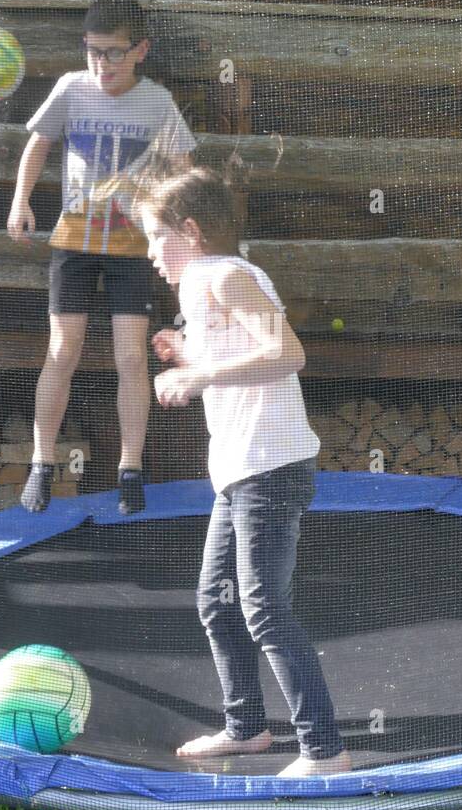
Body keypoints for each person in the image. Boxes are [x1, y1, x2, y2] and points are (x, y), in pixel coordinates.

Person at [136, 166, 351, 778]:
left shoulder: (227, 274)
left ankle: (325, 750)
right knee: (216, 602)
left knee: (262, 607)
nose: (150, 254)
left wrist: (197, 375)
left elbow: (287, 353)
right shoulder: (201, 282)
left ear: (191, 230)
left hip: (270, 466)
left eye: (156, 238)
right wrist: (189, 354)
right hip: (238, 469)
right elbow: (242, 357)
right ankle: (247, 727)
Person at [7, 0, 196, 515]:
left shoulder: (157, 102)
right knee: (62, 351)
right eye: (93, 52)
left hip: (133, 246)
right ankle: (43, 463)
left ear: (141, 50)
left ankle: (130, 469)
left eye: (114, 53)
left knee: (131, 356)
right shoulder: (71, 89)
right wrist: (21, 201)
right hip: (73, 241)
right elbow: (39, 145)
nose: (102, 65)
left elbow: (181, 167)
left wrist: (178, 229)